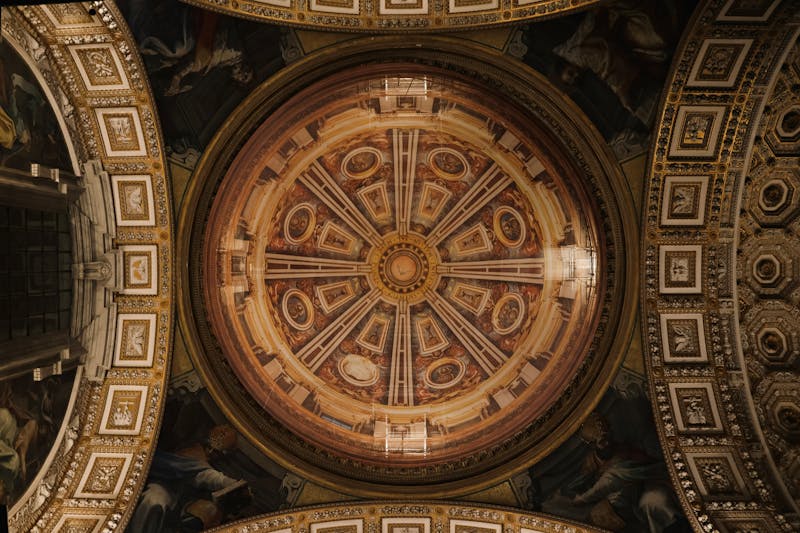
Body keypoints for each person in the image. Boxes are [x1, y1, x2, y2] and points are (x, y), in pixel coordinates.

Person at [129, 424, 251, 532]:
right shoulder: (193, 452)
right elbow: (203, 474)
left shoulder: (202, 463)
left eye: (217, 453)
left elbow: (202, 475)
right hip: (159, 483)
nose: (212, 453)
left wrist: (231, 485)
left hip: (179, 500)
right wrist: (228, 482)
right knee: (155, 500)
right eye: (212, 450)